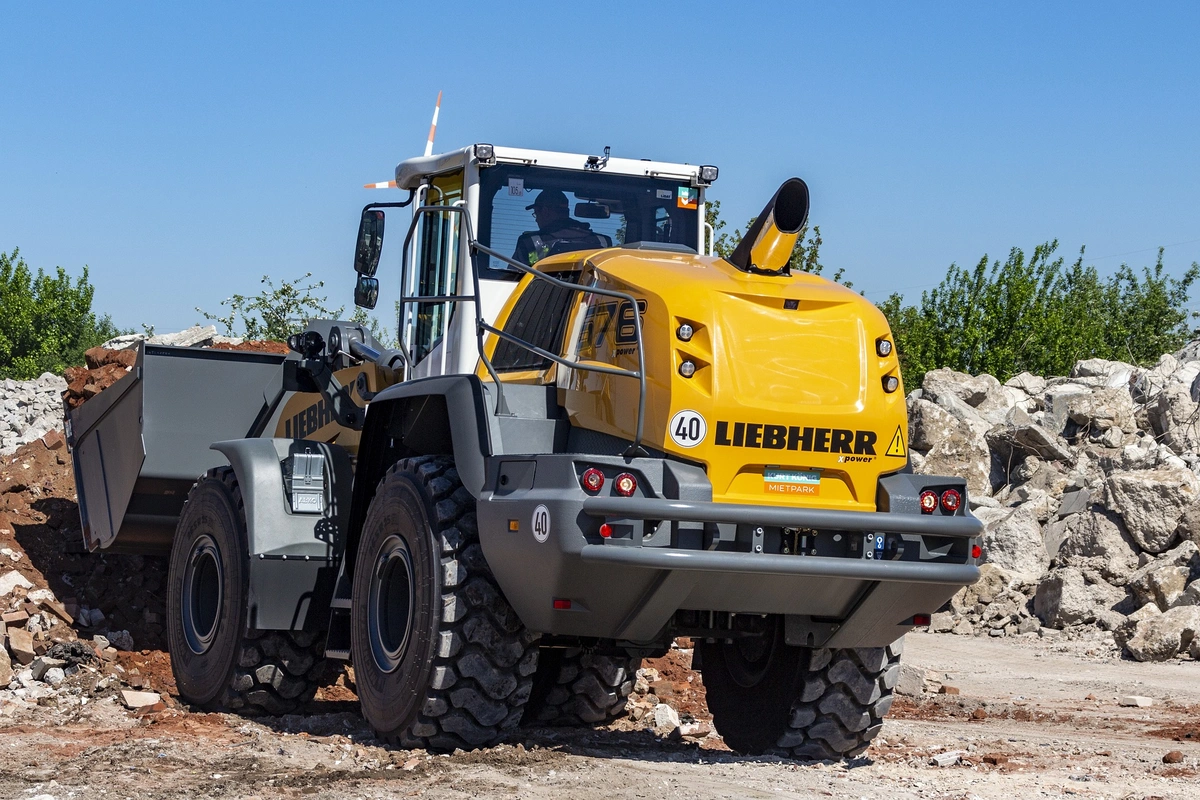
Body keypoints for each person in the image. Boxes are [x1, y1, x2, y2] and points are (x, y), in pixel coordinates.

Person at [512, 189, 610, 266]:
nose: (536, 220)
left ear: (545, 211)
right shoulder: (603, 242)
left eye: (536, 213)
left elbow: (514, 278)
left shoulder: (530, 244)